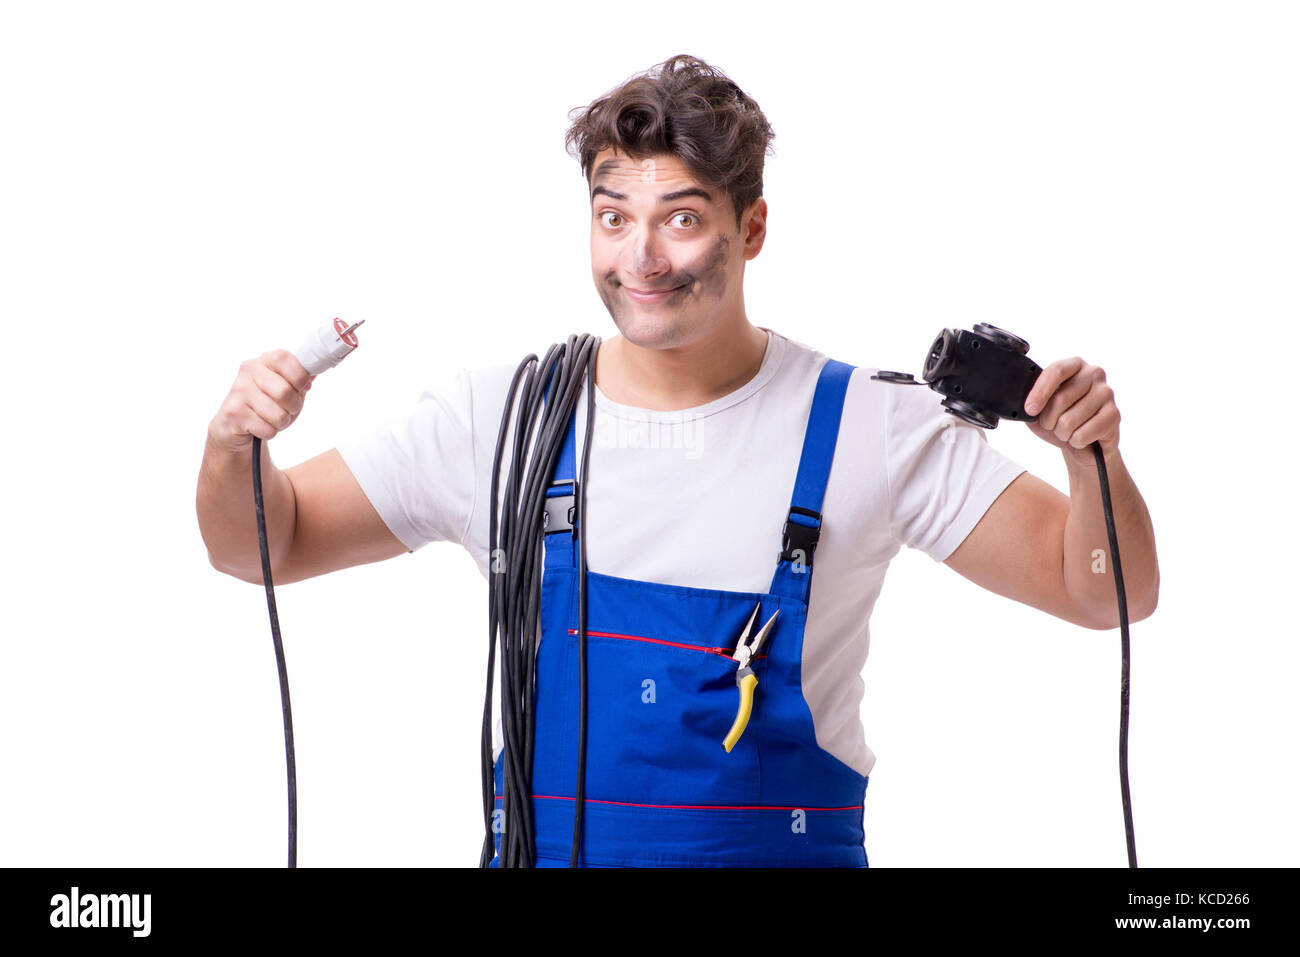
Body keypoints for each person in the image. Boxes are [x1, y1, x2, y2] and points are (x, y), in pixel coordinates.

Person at [196, 54, 1159, 866]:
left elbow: (1103, 590)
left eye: (683, 219)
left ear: (753, 228)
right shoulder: (496, 421)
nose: (643, 259)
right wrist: (230, 444)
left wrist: (1091, 461)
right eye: (615, 218)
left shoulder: (875, 425)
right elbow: (260, 546)